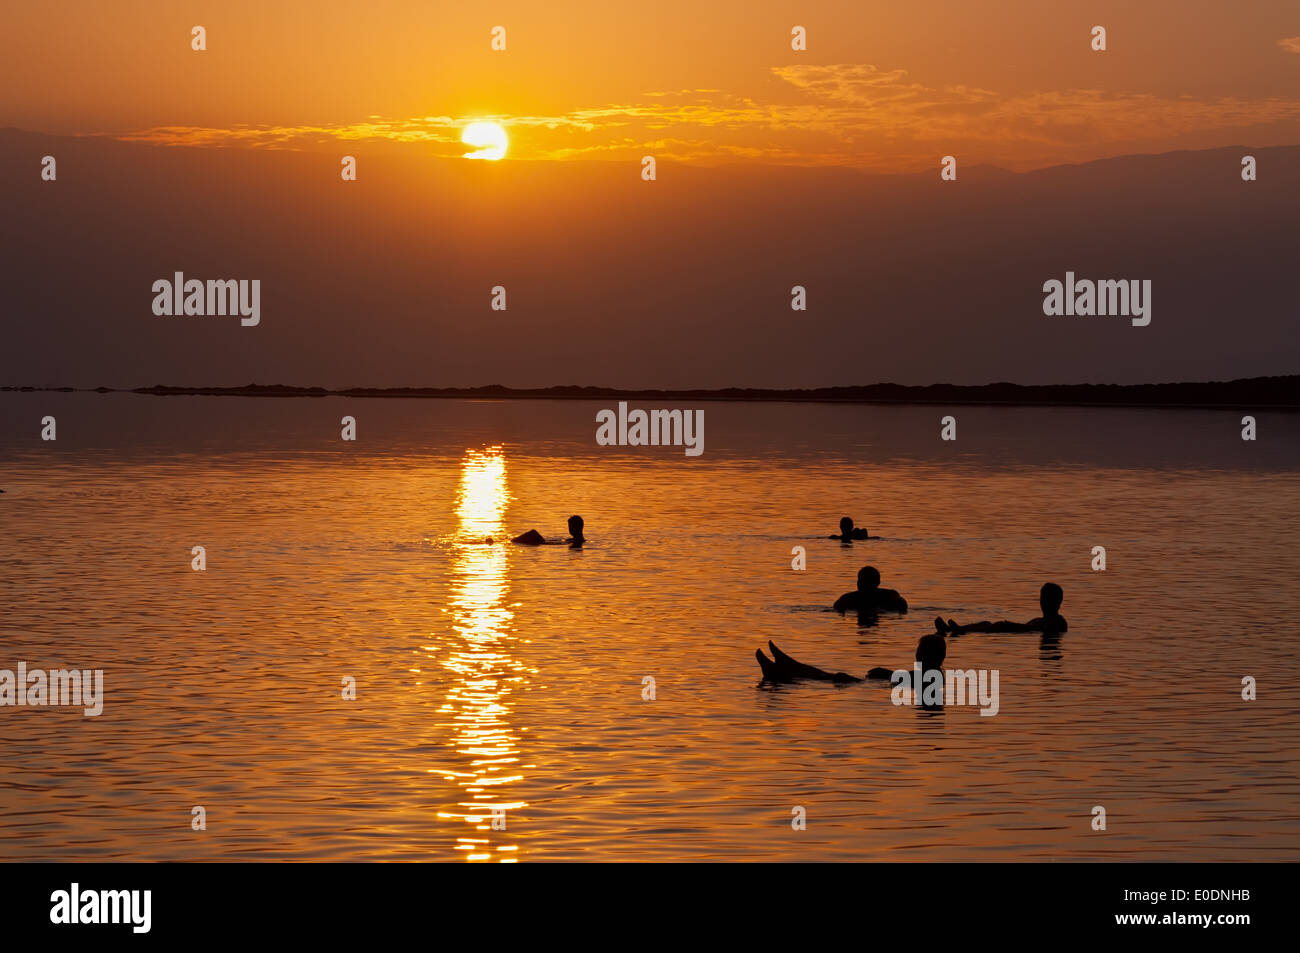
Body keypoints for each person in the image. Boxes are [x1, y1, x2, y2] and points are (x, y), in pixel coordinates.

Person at [754, 632, 945, 684]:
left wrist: (886, 672)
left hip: (865, 688)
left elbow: (901, 678)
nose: (917, 655)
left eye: (921, 651)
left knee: (831, 678)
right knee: (828, 677)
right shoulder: (929, 674)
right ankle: (785, 666)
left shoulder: (934, 676)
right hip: (869, 685)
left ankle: (782, 670)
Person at [937, 582, 1067, 635]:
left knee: (1000, 625)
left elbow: (1033, 630)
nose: (1043, 603)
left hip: (1016, 631)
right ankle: (954, 629)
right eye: (1042, 598)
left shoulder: (1058, 622)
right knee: (986, 623)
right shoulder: (1039, 619)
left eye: (1047, 599)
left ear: (1057, 602)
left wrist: (1010, 625)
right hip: (1018, 629)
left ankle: (960, 631)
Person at [832, 565, 907, 614]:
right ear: (878, 582)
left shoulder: (848, 598)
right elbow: (903, 607)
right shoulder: (890, 595)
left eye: (867, 581)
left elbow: (836, 608)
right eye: (863, 581)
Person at [511, 515, 586, 548]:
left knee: (533, 534)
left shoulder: (578, 541)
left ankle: (513, 541)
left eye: (570, 526)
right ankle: (513, 541)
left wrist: (543, 542)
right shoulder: (574, 539)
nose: (569, 529)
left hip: (545, 543)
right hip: (546, 542)